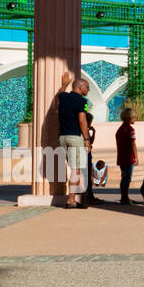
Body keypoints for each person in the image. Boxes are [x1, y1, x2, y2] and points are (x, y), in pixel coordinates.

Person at [55, 72, 92, 209]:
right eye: (87, 87)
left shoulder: (64, 97)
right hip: (75, 137)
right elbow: (82, 121)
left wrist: (64, 85)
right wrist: (87, 139)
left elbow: (58, 95)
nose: (88, 90)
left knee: (72, 167)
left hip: (62, 137)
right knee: (76, 169)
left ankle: (72, 197)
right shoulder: (82, 101)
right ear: (81, 87)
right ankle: (71, 200)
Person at [115, 107, 139, 205]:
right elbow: (133, 144)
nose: (135, 119)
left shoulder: (120, 129)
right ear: (129, 118)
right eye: (134, 117)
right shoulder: (130, 129)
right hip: (128, 157)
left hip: (121, 156)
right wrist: (136, 157)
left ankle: (124, 197)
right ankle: (125, 198)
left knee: (124, 177)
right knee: (127, 178)